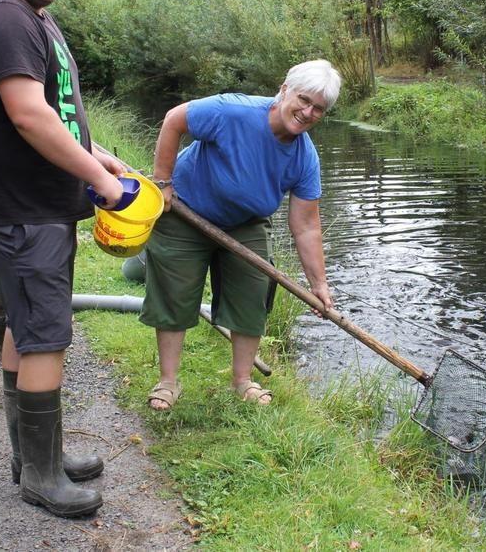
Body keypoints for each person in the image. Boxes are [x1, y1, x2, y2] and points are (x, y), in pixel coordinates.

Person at [0, 0, 127, 519]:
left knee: (24, 326)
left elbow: (57, 111)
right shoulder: (3, 16)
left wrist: (97, 156)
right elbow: (28, 117)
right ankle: (42, 478)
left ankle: (33, 455)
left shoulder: (33, 16)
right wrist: (102, 185)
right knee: (46, 333)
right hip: (19, 209)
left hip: (30, 203)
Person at [139, 59, 342, 411]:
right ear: (283, 90)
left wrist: (319, 284)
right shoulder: (232, 111)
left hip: (246, 221)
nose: (308, 112)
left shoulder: (305, 158)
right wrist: (163, 182)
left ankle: (242, 381)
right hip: (186, 208)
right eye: (304, 100)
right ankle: (168, 382)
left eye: (318, 109)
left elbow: (306, 225)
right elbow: (175, 120)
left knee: (253, 291)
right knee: (175, 292)